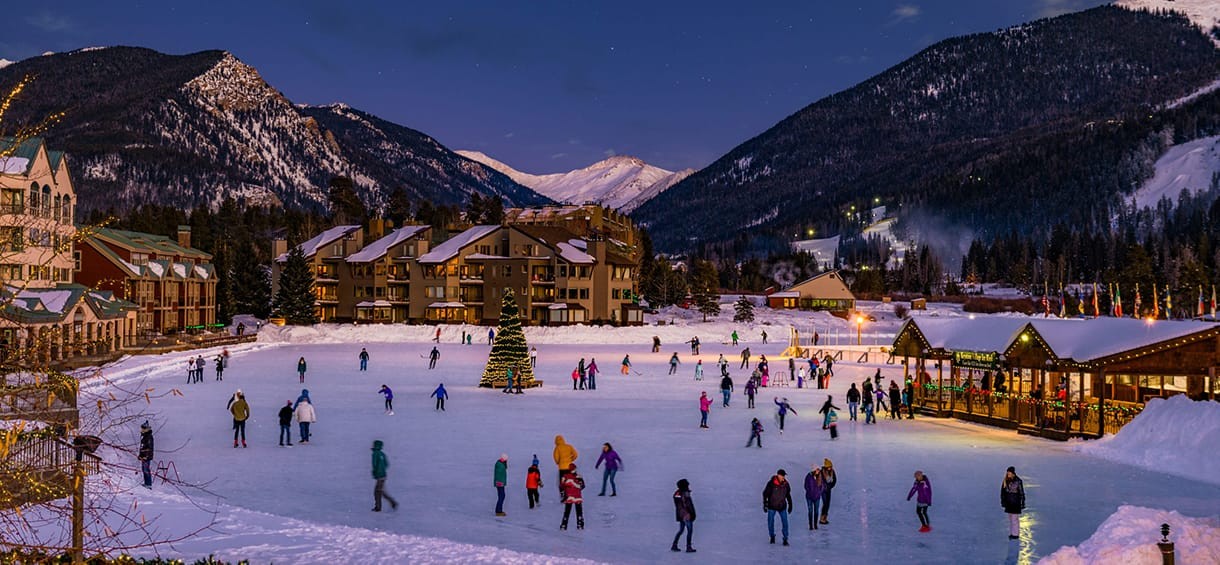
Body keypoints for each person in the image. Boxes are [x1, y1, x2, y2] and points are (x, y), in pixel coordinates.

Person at [763, 469, 793, 546]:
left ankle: (785, 538)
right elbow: (765, 494)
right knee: (770, 522)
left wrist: (790, 505)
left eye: (784, 475)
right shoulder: (771, 483)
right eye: (782, 475)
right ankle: (772, 536)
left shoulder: (786, 484)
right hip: (772, 506)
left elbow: (788, 495)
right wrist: (765, 504)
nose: (784, 477)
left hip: (782, 506)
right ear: (778, 475)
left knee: (785, 523)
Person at [371, 440, 398, 511]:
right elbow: (386, 464)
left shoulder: (375, 454)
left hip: (379, 476)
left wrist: (375, 472)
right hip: (383, 475)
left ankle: (380, 506)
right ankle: (388, 503)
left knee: (378, 492)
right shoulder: (382, 454)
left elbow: (374, 464)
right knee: (380, 491)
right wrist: (382, 470)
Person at [671, 478, 697, 553]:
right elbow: (685, 505)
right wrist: (687, 514)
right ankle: (688, 547)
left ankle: (674, 545)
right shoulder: (683, 493)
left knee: (681, 530)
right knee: (689, 531)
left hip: (681, 515)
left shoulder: (678, 494)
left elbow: (680, 505)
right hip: (686, 515)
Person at [1001, 466, 1026, 540]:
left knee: (1014, 519)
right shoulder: (1005, 481)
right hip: (1009, 503)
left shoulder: (1018, 481)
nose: (1008, 474)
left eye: (1009, 473)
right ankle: (1012, 533)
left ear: (1013, 473)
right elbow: (1003, 492)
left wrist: (1022, 502)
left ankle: (1015, 534)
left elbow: (1021, 492)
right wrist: (1003, 501)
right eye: (1007, 473)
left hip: (1015, 503)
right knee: (1011, 519)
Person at [560, 464, 585, 530]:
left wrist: (565, 491)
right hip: (577, 496)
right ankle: (580, 525)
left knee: (567, 511)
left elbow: (561, 485)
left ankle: (564, 525)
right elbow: (583, 486)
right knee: (579, 511)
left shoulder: (565, 476)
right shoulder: (578, 476)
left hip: (569, 496)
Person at [803, 466, 824, 530]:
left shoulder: (820, 476)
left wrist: (819, 492)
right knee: (810, 511)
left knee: (816, 511)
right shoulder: (808, 476)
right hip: (809, 497)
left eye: (818, 470)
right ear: (814, 470)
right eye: (817, 470)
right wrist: (809, 492)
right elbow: (805, 486)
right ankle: (810, 525)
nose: (818, 471)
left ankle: (815, 524)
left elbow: (822, 486)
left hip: (817, 497)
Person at [819, 459, 837, 525]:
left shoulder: (832, 471)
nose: (830, 468)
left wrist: (830, 486)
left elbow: (834, 480)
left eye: (831, 466)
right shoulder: (822, 472)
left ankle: (825, 518)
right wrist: (824, 487)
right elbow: (819, 481)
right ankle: (822, 518)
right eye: (829, 467)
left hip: (828, 490)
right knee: (825, 503)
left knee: (828, 504)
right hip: (823, 491)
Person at [138, 421, 154, 488]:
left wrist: (146, 456)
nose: (141, 430)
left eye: (143, 428)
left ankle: (148, 484)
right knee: (144, 469)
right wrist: (140, 455)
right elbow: (142, 447)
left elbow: (149, 448)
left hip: (147, 457)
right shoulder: (144, 436)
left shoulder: (149, 437)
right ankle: (146, 483)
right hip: (143, 456)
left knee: (146, 470)